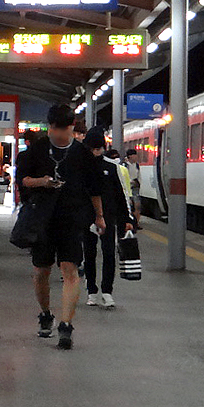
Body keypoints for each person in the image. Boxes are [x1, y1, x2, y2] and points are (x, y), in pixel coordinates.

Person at [15, 104, 107, 350]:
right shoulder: (37, 150)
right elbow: (22, 180)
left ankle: (66, 325)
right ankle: (46, 313)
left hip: (71, 218)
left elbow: (95, 189)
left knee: (70, 269)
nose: (58, 134)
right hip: (42, 219)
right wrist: (42, 182)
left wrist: (99, 217)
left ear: (71, 127)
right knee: (41, 271)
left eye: (63, 129)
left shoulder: (82, 154)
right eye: (54, 129)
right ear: (49, 126)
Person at [81, 129, 136, 309]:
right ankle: (91, 290)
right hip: (87, 217)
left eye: (99, 149)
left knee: (109, 253)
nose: (96, 152)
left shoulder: (111, 168)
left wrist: (127, 219)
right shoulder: (81, 167)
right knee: (89, 254)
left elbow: (121, 195)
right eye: (93, 149)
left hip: (109, 216)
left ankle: (107, 291)